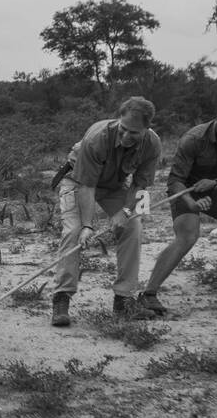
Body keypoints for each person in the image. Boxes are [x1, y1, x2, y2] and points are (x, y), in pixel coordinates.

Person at [137, 101, 217, 316]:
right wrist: (191, 203)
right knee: (188, 236)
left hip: (212, 188)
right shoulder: (193, 139)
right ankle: (148, 294)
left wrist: (215, 184)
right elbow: (175, 181)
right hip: (184, 191)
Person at [51, 96, 162, 326]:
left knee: (133, 226)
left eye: (134, 133)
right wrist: (88, 225)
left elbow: (139, 186)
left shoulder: (153, 144)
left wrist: (124, 211)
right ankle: (62, 298)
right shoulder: (97, 137)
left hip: (113, 186)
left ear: (147, 128)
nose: (126, 137)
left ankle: (123, 300)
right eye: (123, 129)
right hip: (78, 182)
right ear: (118, 119)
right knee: (73, 232)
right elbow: (87, 186)